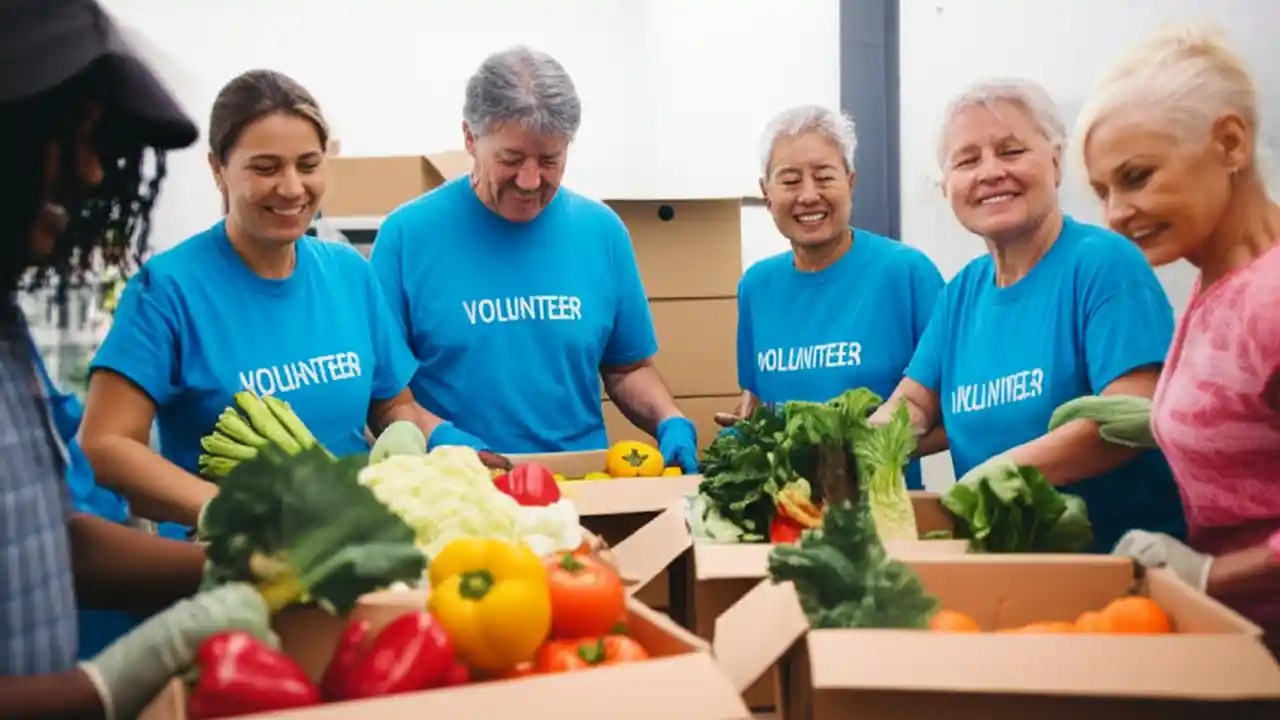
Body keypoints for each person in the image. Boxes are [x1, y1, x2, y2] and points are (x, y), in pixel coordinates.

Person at [0, 2, 274, 717]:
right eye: (68, 140)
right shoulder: (172, 287)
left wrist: (237, 566)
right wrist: (99, 688)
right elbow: (108, 445)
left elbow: (57, 544)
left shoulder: (8, 338)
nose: (92, 173)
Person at [80, 68, 467, 529]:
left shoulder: (348, 274)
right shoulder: (166, 290)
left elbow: (392, 404)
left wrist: (451, 448)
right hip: (234, 563)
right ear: (218, 169)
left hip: (360, 543)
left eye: (308, 164)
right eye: (265, 168)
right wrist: (237, 513)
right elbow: (105, 445)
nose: (291, 188)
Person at [869, 77, 1187, 552]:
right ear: (947, 185)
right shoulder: (962, 293)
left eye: (1011, 151)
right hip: (1006, 569)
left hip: (1118, 574)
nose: (990, 171)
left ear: (1056, 163)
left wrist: (1000, 473)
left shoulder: (1103, 264)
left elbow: (1134, 414)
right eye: (967, 160)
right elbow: (915, 405)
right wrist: (855, 444)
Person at [369, 45, 699, 472]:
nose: (530, 181)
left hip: (582, 484)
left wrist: (668, 419)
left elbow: (627, 367)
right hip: (458, 484)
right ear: (470, 138)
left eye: (550, 160)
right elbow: (385, 396)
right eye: (511, 159)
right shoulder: (406, 237)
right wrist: (439, 436)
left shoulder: (602, 232)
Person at [1077, 24, 1280, 654]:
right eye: (1103, 191)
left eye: (1137, 177)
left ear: (1229, 142)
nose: (1115, 214)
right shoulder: (1213, 280)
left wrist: (1214, 575)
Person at [720, 104, 945, 490]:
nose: (809, 195)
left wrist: (864, 453)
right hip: (786, 513)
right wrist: (747, 440)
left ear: (850, 181)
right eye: (790, 181)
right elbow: (756, 399)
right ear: (766, 193)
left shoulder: (906, 274)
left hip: (884, 514)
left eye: (824, 177)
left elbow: (955, 413)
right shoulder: (757, 286)